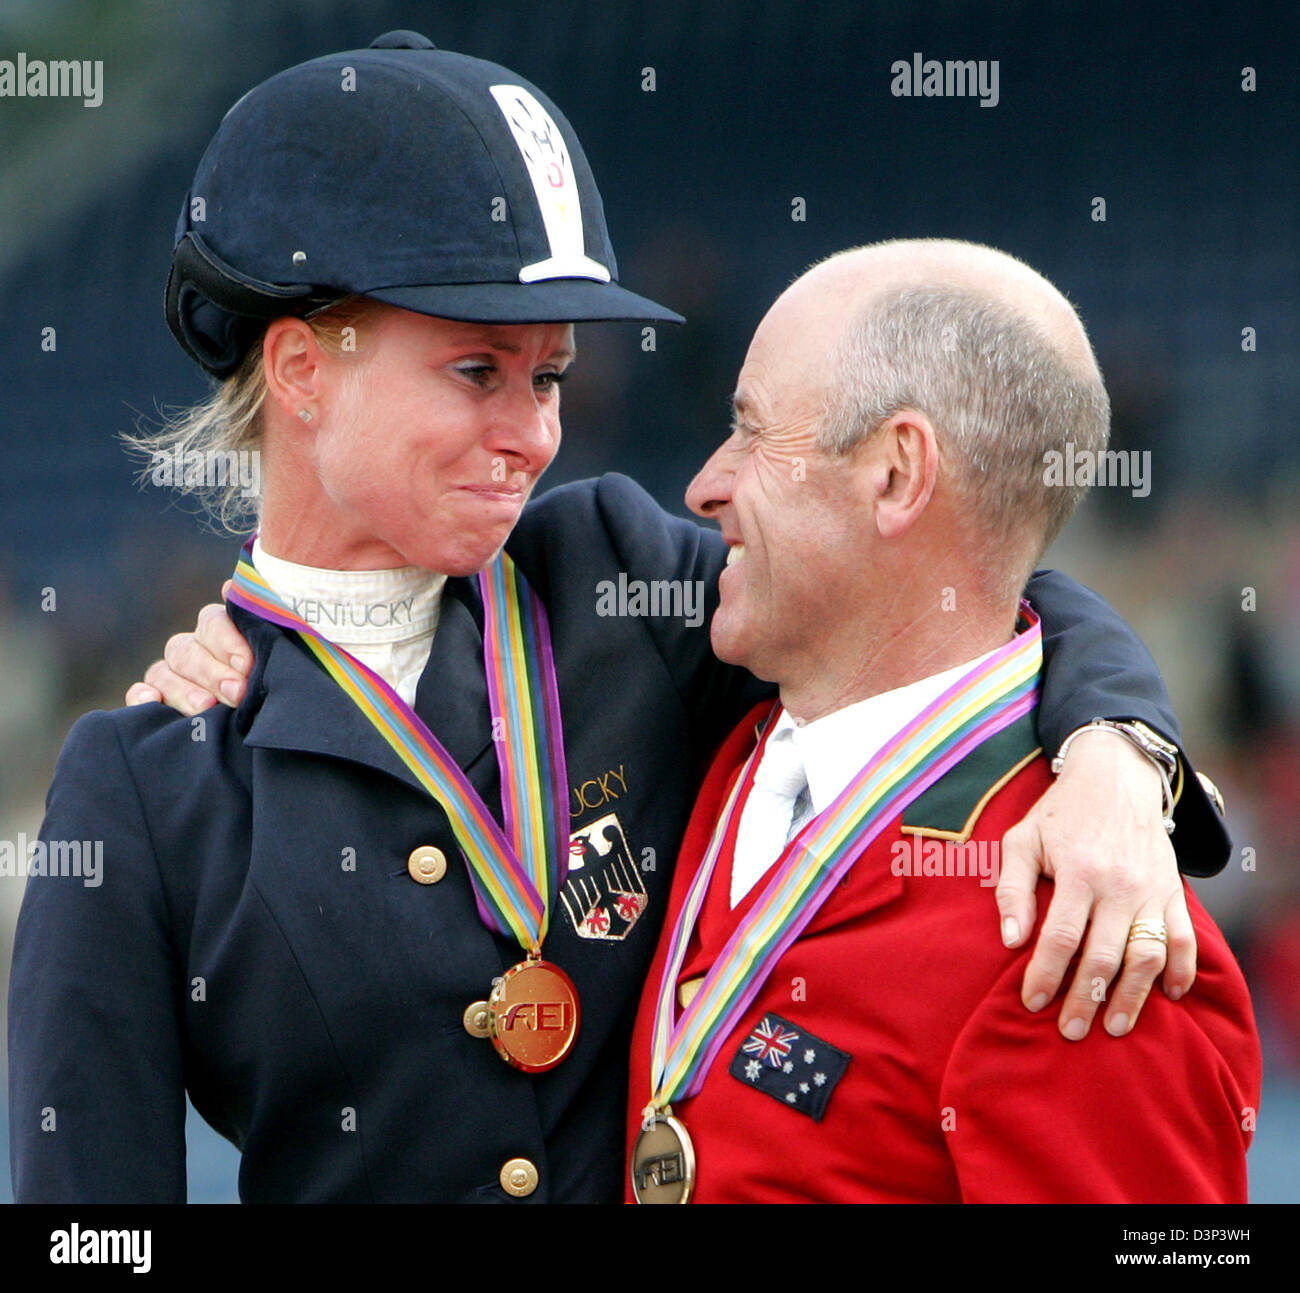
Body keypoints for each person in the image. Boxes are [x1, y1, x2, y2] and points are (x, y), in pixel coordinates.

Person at [9, 33, 1224, 1204]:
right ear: (302, 370)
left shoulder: (614, 578)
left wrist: (1118, 755)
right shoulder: (152, 777)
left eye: (548, 376)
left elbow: (959, 582)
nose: (534, 433)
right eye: (478, 371)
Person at [625, 240, 1260, 1204]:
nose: (704, 484)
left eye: (752, 433)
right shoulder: (724, 729)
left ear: (896, 472)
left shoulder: (1086, 932)